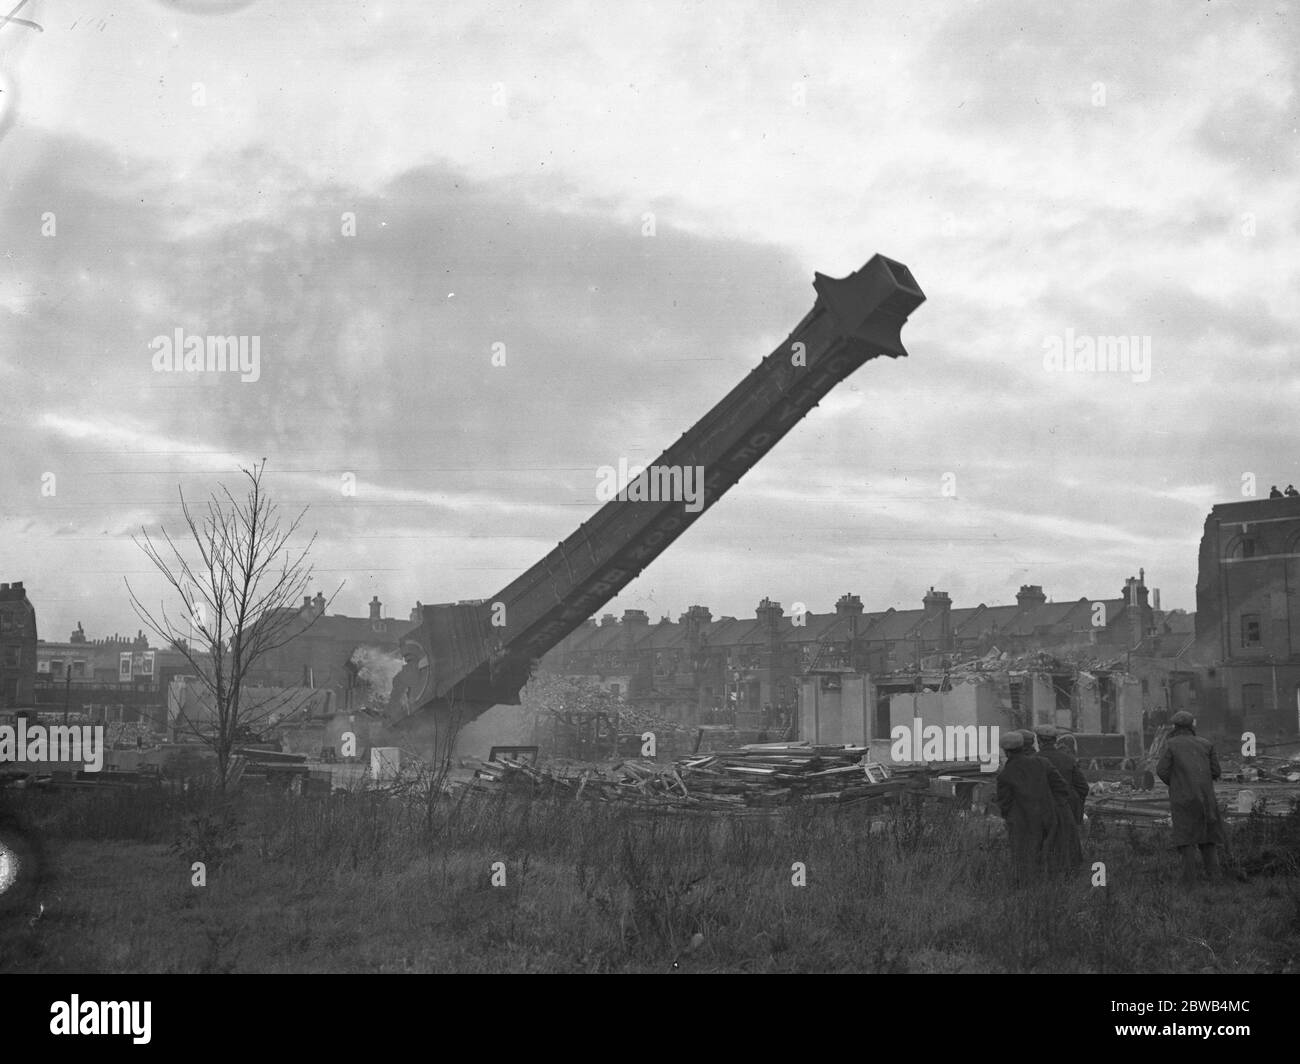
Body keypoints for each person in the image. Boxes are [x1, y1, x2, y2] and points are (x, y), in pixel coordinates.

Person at [1156, 711, 1225, 885]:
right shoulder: (1206, 744)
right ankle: (1216, 880)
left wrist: (1177, 783)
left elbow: (1161, 770)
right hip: (1207, 799)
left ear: (1175, 727)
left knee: (1186, 840)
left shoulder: (1171, 744)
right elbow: (1216, 772)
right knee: (1209, 840)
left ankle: (1189, 883)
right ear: (1192, 726)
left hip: (1183, 799)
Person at [996, 731, 1071, 884]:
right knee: (1050, 859)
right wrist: (1052, 808)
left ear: (1005, 751)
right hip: (1048, 819)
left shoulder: (1005, 774)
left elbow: (1004, 804)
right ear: (1022, 746)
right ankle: (1053, 890)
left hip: (1021, 824)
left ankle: (1029, 893)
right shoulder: (1042, 763)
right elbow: (1062, 788)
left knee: (1024, 862)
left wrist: (1011, 818)